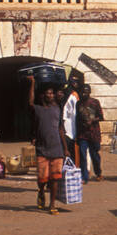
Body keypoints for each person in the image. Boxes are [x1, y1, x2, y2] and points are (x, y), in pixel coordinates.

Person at [32, 85, 66, 213]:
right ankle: (41, 191)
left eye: (52, 93)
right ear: (43, 96)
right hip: (42, 149)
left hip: (57, 148)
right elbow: (30, 102)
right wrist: (32, 83)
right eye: (48, 93)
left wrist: (65, 149)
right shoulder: (38, 109)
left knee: (55, 178)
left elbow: (61, 129)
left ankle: (52, 205)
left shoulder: (57, 109)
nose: (50, 95)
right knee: (42, 179)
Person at [74, 85, 104, 183]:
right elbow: (77, 119)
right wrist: (77, 135)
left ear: (89, 92)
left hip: (94, 133)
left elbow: (101, 117)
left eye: (86, 92)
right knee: (82, 155)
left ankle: (98, 173)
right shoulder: (78, 104)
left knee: (94, 155)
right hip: (83, 134)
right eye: (82, 92)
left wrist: (92, 121)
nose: (84, 94)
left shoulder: (95, 102)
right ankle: (84, 177)